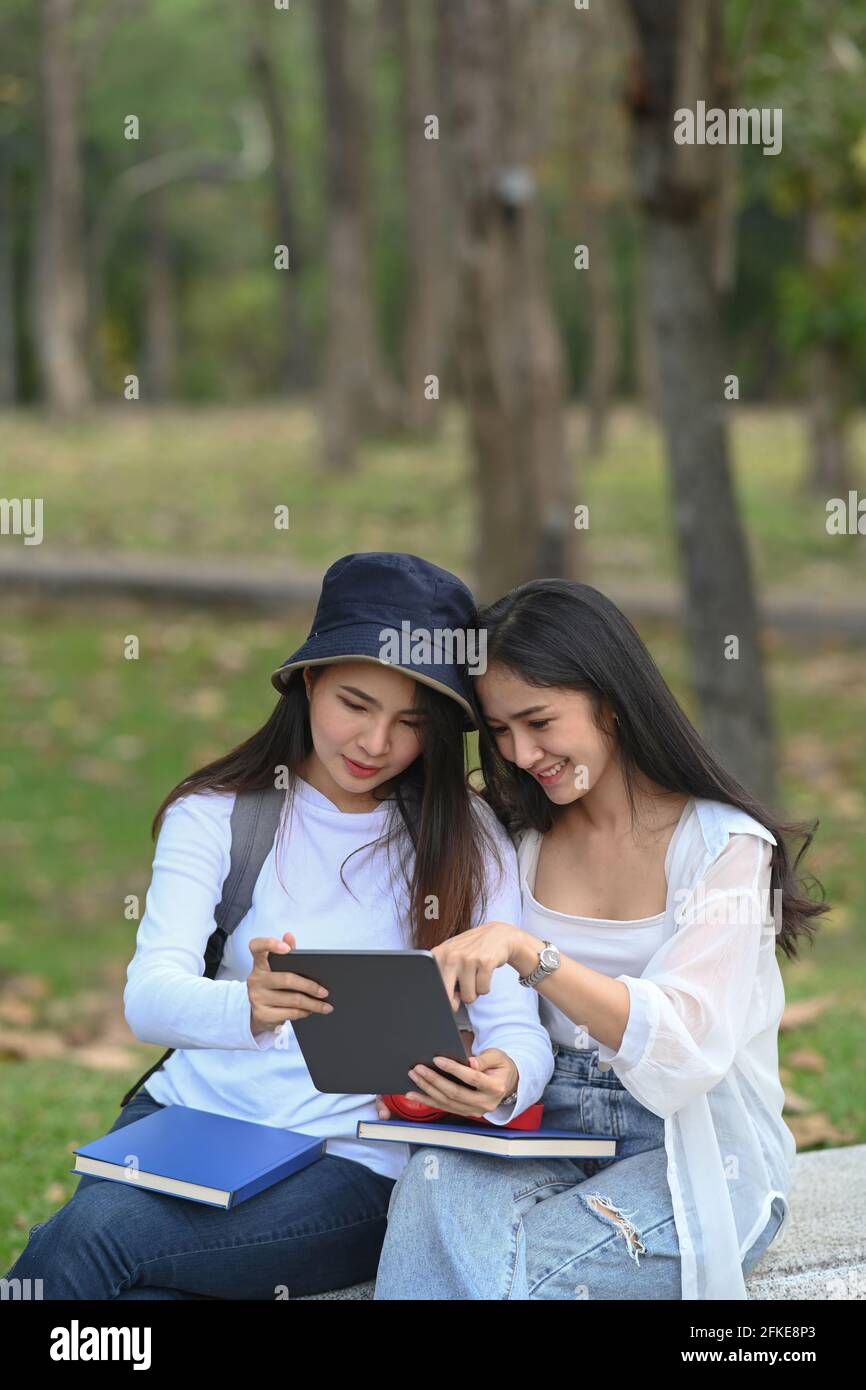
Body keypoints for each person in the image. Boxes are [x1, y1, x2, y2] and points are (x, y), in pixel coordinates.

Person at [5, 553, 554, 1300]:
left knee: (87, 1246)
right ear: (307, 681)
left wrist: (505, 1078)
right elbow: (150, 999)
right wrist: (248, 1005)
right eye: (355, 704)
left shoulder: (466, 837)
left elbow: (514, 1026)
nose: (374, 743)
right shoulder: (217, 814)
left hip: (350, 1163)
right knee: (127, 1281)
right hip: (191, 1122)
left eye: (410, 723)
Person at [374, 579, 826, 1300]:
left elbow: (682, 1049)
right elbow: (494, 1014)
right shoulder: (518, 840)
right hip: (545, 1134)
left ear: (610, 700)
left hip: (691, 1147)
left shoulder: (723, 848)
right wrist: (485, 1069)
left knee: (514, 1280)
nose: (521, 753)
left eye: (539, 721)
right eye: (498, 730)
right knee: (434, 1183)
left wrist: (532, 955)